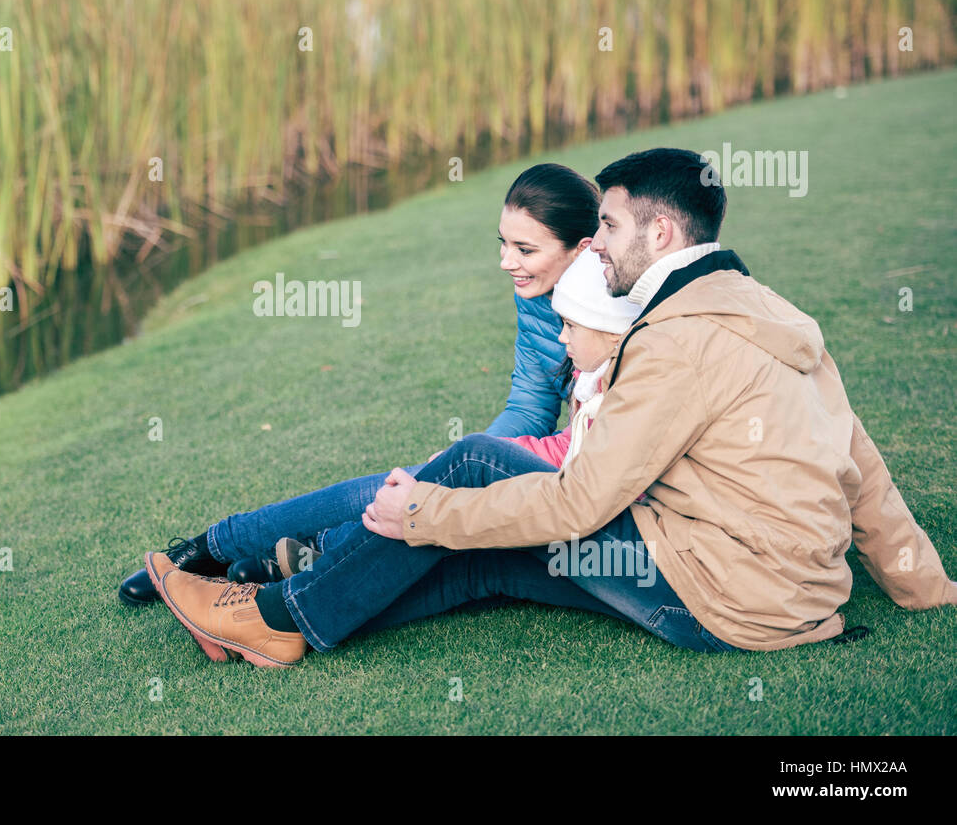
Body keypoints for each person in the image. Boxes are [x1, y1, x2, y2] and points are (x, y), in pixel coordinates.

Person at [149, 147, 957, 666]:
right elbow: (866, 469)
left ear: (664, 231)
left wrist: (427, 509)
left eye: (607, 224)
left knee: (472, 466)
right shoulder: (765, 308)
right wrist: (926, 585)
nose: (596, 241)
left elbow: (580, 500)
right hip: (790, 592)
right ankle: (275, 616)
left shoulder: (676, 340)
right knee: (491, 559)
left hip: (724, 597)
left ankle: (270, 615)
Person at [118, 162, 599, 604]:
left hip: (583, 496)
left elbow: (587, 445)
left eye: (525, 249)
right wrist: (478, 456)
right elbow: (531, 405)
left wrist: (468, 463)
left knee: (414, 492)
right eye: (503, 243)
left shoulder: (617, 321)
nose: (505, 261)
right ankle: (229, 547)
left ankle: (272, 551)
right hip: (553, 470)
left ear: (581, 250)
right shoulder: (538, 297)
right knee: (420, 485)